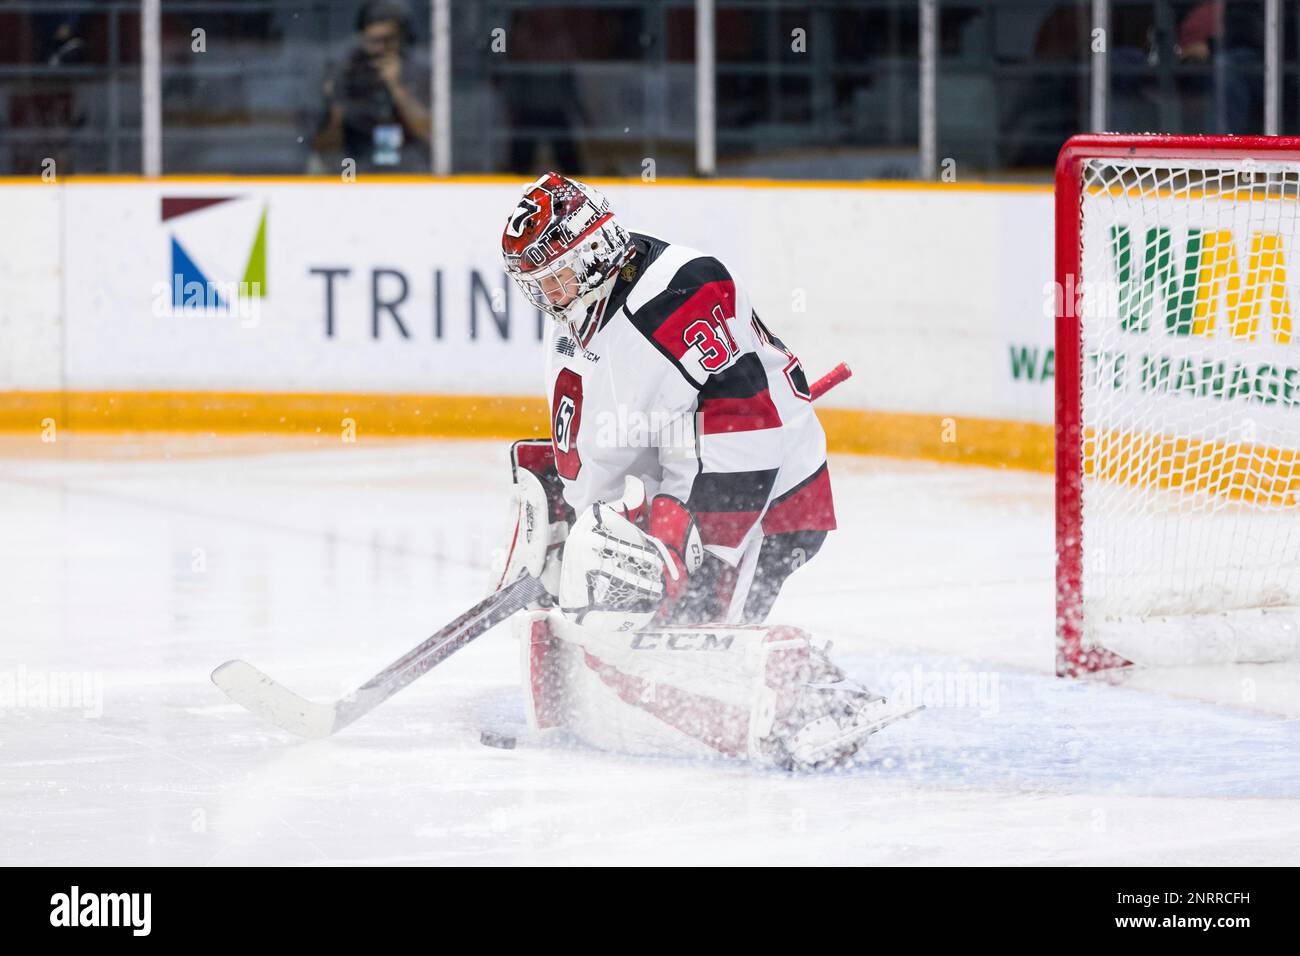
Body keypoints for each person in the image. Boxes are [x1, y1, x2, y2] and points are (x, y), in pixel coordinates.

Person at [491, 173, 897, 770]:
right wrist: (562, 519)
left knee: (698, 640)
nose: (550, 296)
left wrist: (707, 551)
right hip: (681, 496)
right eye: (538, 284)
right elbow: (593, 454)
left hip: (771, 493)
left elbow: (751, 433)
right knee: (654, 627)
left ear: (595, 248)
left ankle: (821, 703)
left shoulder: (684, 291)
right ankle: (763, 687)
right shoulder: (578, 323)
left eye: (555, 276)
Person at [313, 0, 431, 173]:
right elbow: (323, 146)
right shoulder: (348, 70)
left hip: (408, 169)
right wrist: (336, 103)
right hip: (355, 166)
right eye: (373, 41)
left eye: (388, 40)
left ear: (403, 39)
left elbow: (433, 136)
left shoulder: (417, 71)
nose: (380, 49)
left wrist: (398, 88)